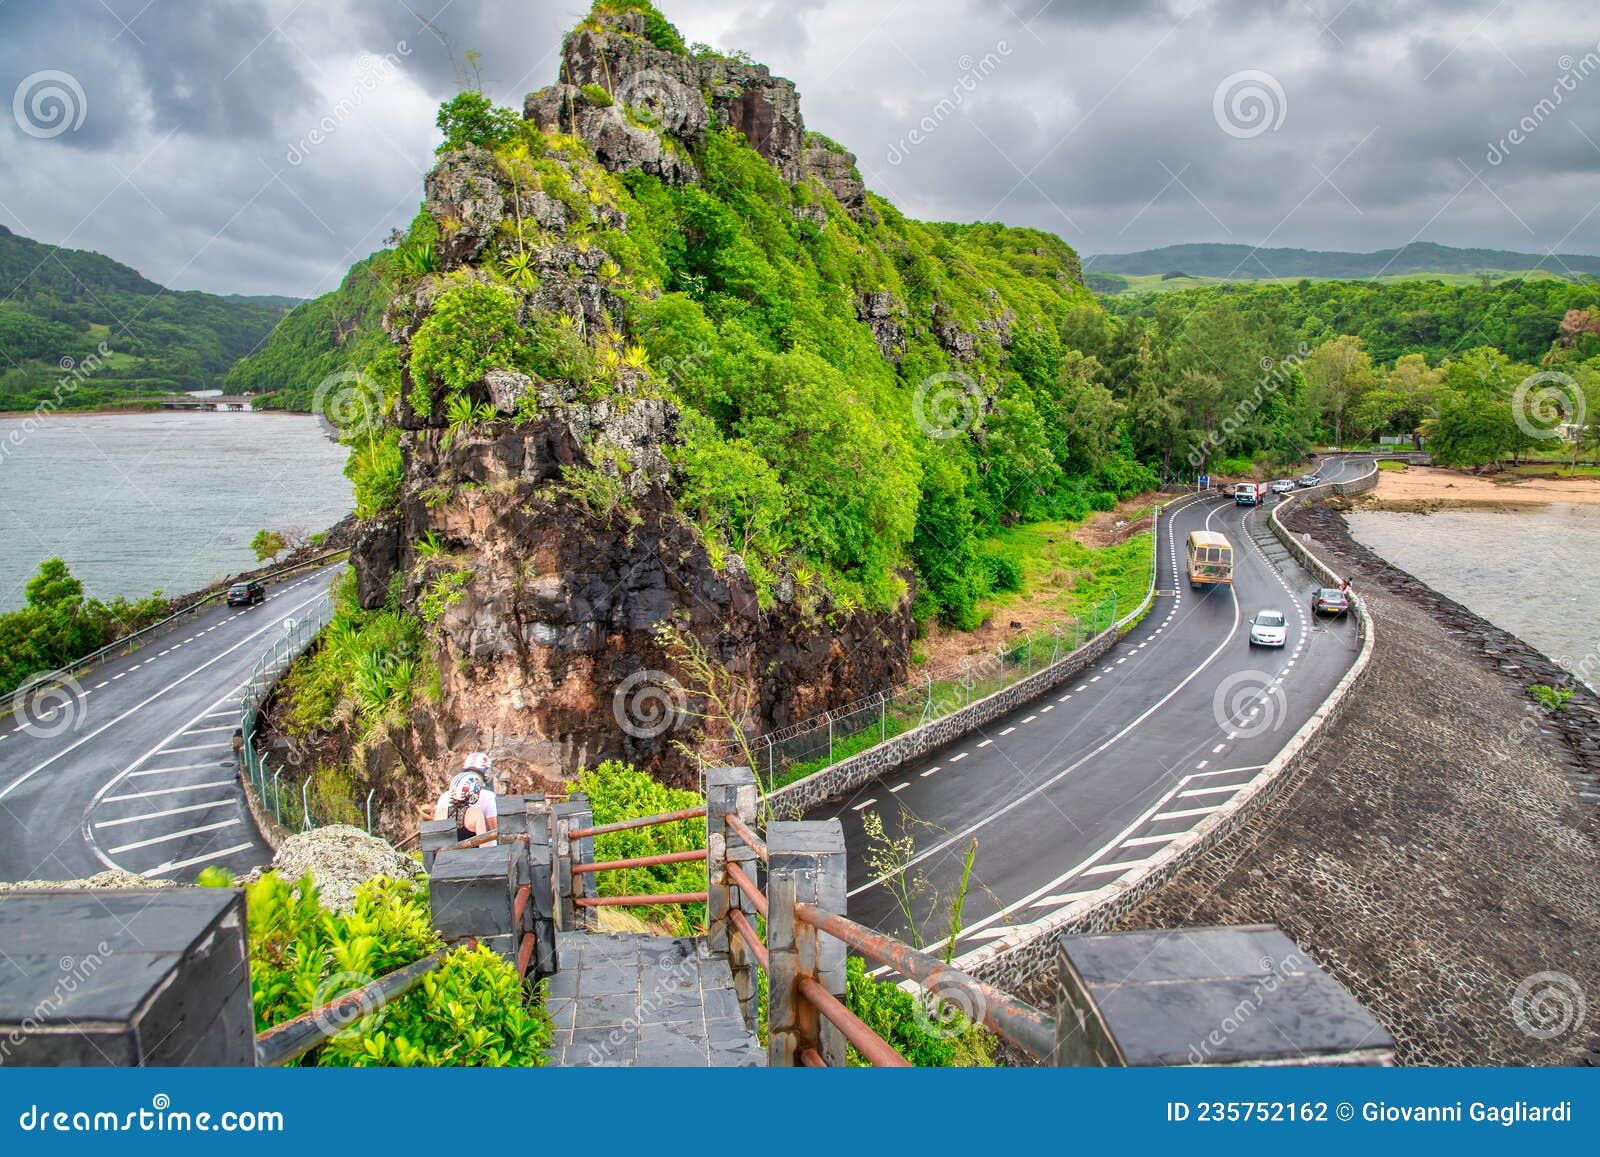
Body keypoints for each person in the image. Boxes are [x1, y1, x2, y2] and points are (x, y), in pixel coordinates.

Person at [434, 769, 498, 842]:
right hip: (473, 853)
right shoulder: (476, 814)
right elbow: (483, 845)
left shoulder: (440, 813)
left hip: (444, 853)